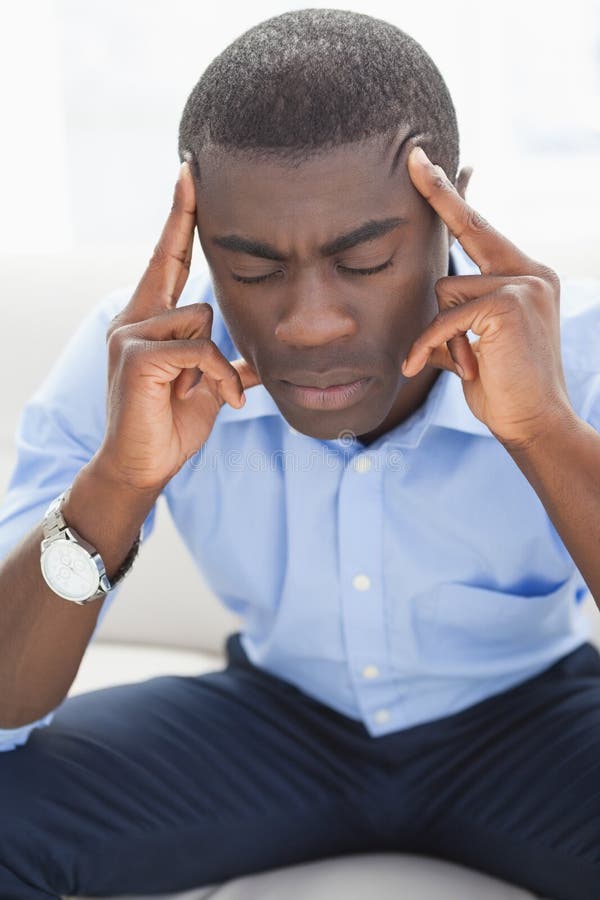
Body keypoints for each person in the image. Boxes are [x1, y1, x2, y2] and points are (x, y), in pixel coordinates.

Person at [0, 8, 599, 899]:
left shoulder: (574, 350)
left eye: (364, 262)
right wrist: (119, 484)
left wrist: (542, 429)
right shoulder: (136, 356)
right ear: (202, 243)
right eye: (249, 270)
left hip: (533, 719)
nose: (307, 322)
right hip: (275, 725)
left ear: (454, 215)